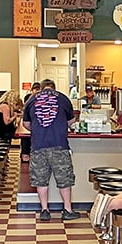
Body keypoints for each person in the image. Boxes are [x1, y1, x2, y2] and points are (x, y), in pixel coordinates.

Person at [22, 79, 80, 222]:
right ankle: (67, 210)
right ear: (54, 88)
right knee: (64, 179)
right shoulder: (63, 98)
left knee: (41, 180)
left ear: (41, 88)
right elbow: (71, 121)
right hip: (59, 144)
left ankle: (44, 210)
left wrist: (39, 129)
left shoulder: (31, 100)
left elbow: (26, 124)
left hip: (38, 145)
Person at [20, 82, 41, 163]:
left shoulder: (42, 97)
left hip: (38, 120)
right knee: (25, 136)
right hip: (29, 119)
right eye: (35, 89)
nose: (37, 91)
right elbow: (24, 107)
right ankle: (25, 153)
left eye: (38, 89)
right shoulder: (28, 97)